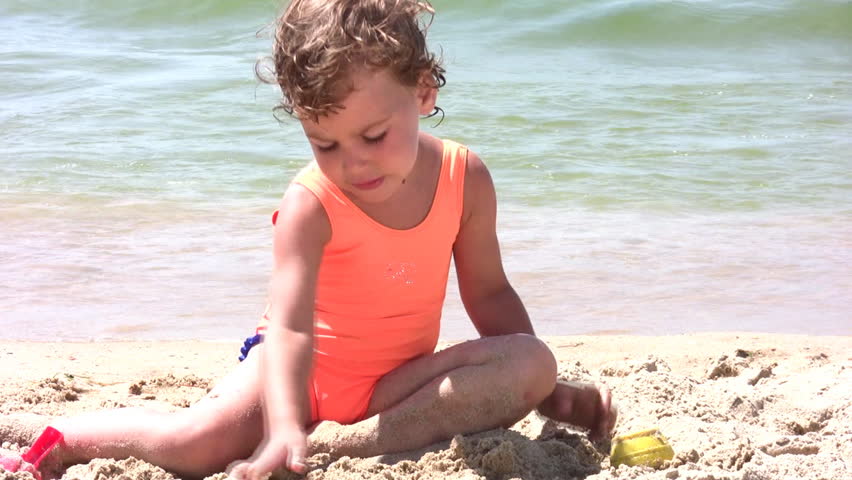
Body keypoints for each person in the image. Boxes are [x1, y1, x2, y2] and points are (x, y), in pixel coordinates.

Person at [1, 1, 616, 479]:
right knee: (190, 446)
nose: (353, 163)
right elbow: (290, 329)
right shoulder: (311, 204)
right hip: (296, 374)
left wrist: (549, 392)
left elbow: (490, 292)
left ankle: (342, 445)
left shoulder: (465, 179)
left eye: (373, 135)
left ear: (423, 92)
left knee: (530, 361)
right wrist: (285, 422)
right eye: (325, 144)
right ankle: (63, 436)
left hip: (392, 389)